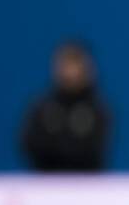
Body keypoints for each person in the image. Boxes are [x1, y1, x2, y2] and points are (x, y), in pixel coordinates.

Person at [20, 40, 111, 172]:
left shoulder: (98, 110)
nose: (70, 71)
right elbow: (30, 144)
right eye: (66, 64)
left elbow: (93, 149)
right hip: (46, 184)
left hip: (87, 186)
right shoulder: (43, 108)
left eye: (75, 64)